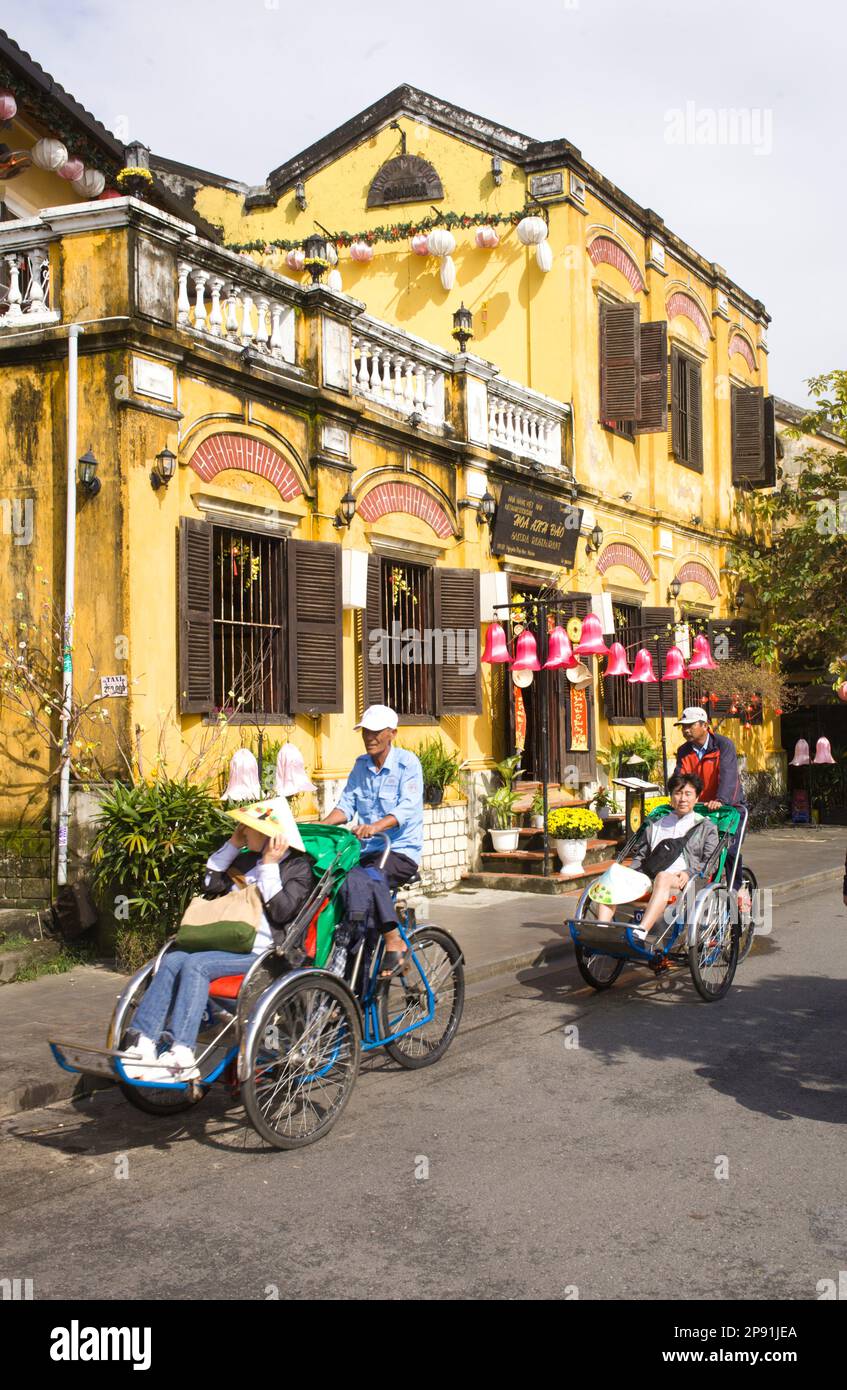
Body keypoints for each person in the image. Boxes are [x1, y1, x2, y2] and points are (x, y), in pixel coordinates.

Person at [123, 798, 315, 1082]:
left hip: (264, 954)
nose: (243, 830)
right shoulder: (247, 860)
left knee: (196, 965)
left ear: (269, 834)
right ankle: (144, 1043)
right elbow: (211, 882)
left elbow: (283, 910)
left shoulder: (297, 869)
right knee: (173, 959)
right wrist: (234, 845)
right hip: (228, 945)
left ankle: (183, 1053)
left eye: (248, 828)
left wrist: (270, 865)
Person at [322, 704, 423, 980]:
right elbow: (345, 806)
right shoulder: (360, 766)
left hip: (400, 852)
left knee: (370, 877)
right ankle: (351, 991)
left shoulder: (408, 763)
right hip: (368, 852)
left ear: (392, 733)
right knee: (346, 891)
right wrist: (318, 826)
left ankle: (393, 939)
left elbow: (407, 808)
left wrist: (375, 826)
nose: (370, 737)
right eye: (366, 731)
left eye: (376, 732)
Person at [595, 772, 719, 940]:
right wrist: (629, 873)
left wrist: (688, 872)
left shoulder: (705, 827)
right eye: (678, 793)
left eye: (688, 794)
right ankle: (601, 929)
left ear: (697, 798)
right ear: (671, 797)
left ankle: (642, 930)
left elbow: (711, 862)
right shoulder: (656, 824)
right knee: (614, 872)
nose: (682, 798)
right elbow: (641, 856)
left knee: (663, 877)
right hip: (648, 877)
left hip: (684, 880)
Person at [673, 705, 748, 904]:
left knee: (729, 848)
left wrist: (721, 800)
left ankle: (736, 888)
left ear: (705, 725)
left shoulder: (723, 745)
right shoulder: (684, 750)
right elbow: (680, 777)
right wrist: (676, 796)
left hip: (728, 807)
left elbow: (728, 776)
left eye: (689, 725)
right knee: (693, 848)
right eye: (683, 726)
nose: (685, 730)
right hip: (700, 807)